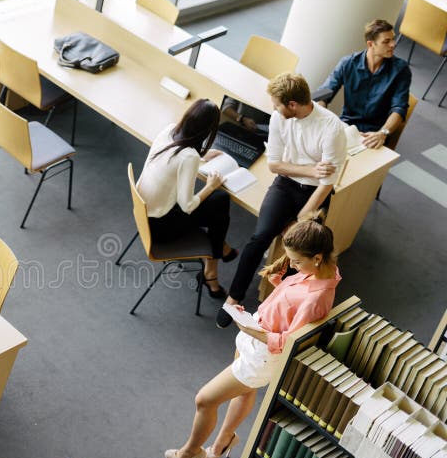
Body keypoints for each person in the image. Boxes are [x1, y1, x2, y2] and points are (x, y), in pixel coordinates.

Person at [165, 215, 341, 458]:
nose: (292, 264)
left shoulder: (317, 298)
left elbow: (286, 342)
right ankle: (222, 442)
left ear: (316, 257)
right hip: (256, 332)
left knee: (205, 400)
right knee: (245, 391)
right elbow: (291, 302)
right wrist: (281, 281)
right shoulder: (324, 269)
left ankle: (190, 452)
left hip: (263, 351)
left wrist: (249, 328)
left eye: (296, 261)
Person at [215, 73, 346, 328]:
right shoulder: (278, 118)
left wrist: (301, 219)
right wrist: (309, 170)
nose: (273, 108)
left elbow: (327, 182)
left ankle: (280, 301)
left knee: (301, 249)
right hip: (286, 184)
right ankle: (233, 298)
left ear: (293, 105)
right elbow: (275, 165)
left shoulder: (331, 128)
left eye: (277, 104)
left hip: (316, 192)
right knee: (260, 237)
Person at [137, 99, 238, 298]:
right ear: (208, 130)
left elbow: (174, 159)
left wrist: (202, 156)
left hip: (144, 214)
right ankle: (213, 268)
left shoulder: (169, 131)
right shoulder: (189, 156)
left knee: (218, 206)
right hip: (160, 230)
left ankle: (217, 260)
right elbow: (187, 206)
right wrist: (210, 186)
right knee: (220, 201)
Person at [317, 19, 412, 149]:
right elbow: (324, 93)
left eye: (393, 39)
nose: (393, 44)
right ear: (370, 44)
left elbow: (399, 109)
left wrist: (382, 133)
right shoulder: (348, 63)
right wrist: (323, 119)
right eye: (386, 41)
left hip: (376, 132)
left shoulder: (401, 69)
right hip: (347, 126)